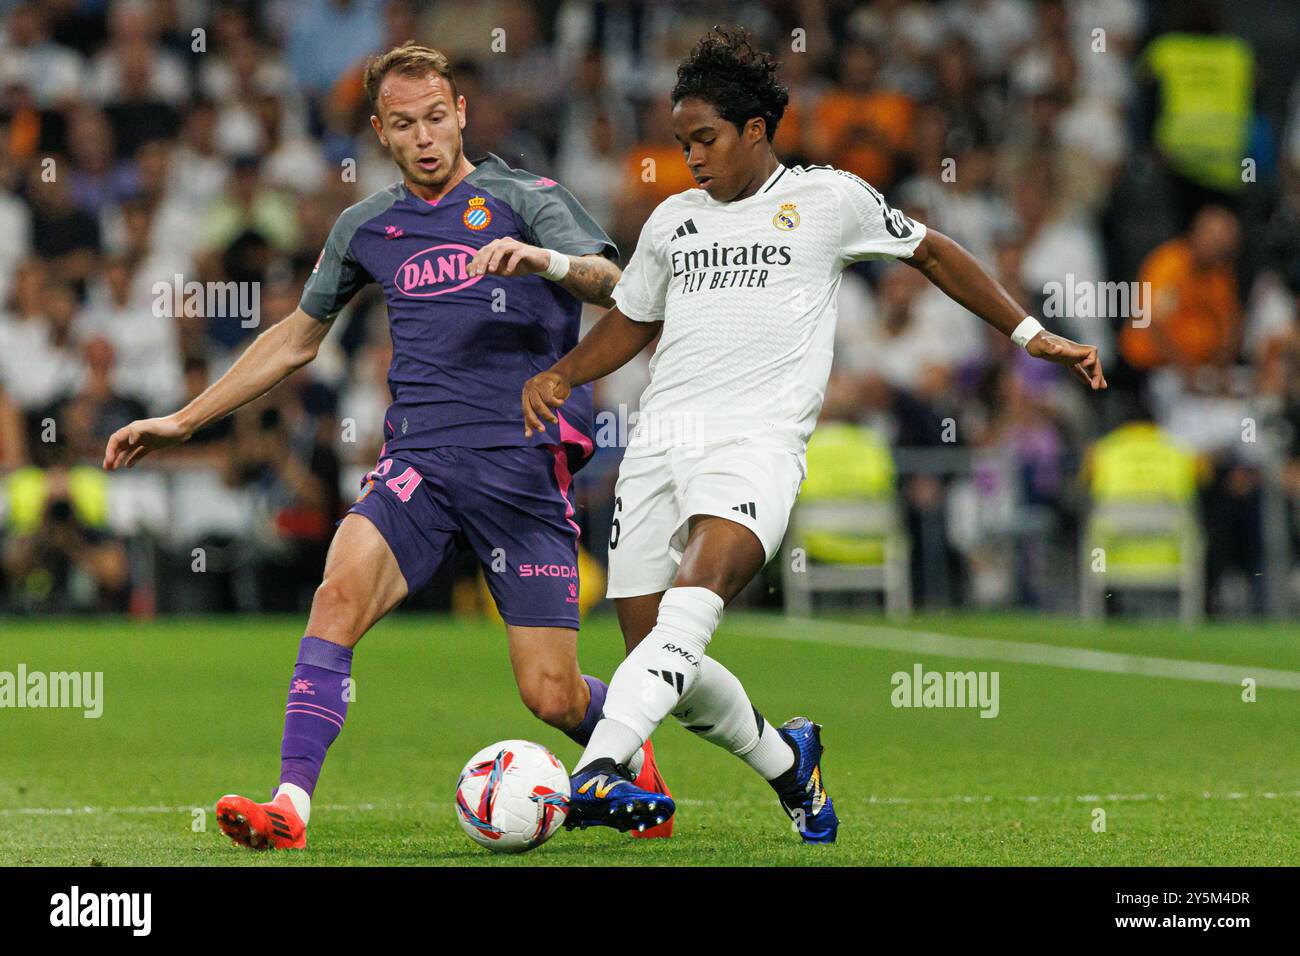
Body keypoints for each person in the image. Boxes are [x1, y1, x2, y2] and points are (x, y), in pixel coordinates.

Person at [521, 27, 1106, 843]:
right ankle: (790, 762)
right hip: (657, 446)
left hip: (755, 445)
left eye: (706, 139)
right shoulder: (671, 222)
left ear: (755, 130)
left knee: (692, 606)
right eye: (682, 141)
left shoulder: (829, 199)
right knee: (657, 659)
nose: (691, 157)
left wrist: (1031, 334)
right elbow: (632, 321)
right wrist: (563, 375)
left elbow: (933, 253)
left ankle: (601, 770)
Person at [103, 43, 672, 850]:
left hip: (521, 469)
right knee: (335, 597)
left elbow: (618, 285)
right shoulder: (367, 227)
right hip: (419, 465)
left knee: (548, 694)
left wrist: (541, 258)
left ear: (461, 112)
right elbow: (298, 338)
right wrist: (184, 420)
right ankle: (290, 805)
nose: (425, 137)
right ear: (381, 132)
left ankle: (629, 757)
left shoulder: (525, 194)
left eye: (437, 117)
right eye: (404, 125)